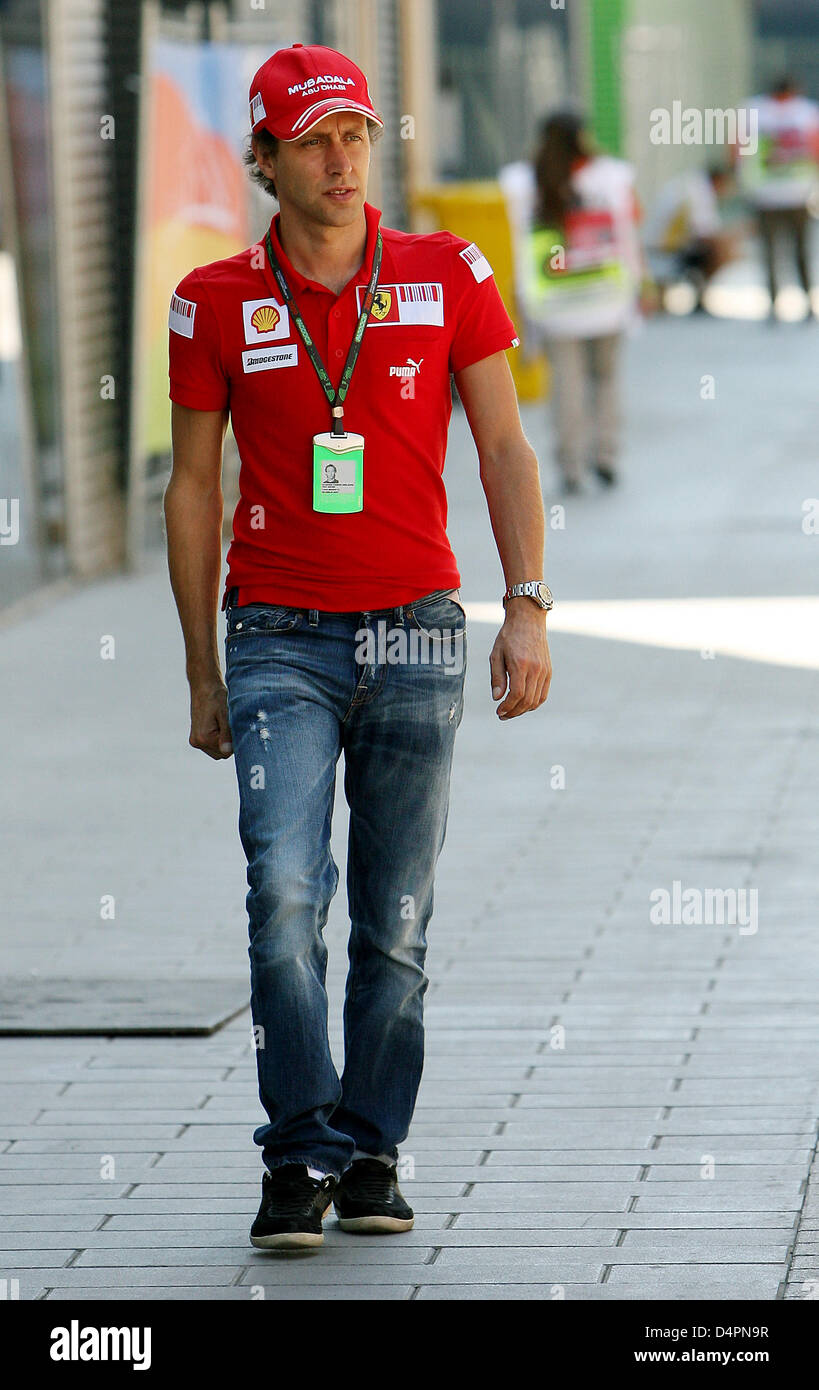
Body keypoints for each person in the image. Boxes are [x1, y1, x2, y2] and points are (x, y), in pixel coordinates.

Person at [164, 42, 552, 1251]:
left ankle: (374, 1147)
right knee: (284, 896)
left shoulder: (447, 273)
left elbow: (501, 449)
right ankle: (298, 1154)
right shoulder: (213, 299)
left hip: (419, 636)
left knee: (395, 915)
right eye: (315, 140)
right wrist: (200, 668)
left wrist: (527, 603)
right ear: (266, 159)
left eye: (358, 136)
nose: (342, 159)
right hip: (277, 635)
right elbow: (189, 489)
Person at [500, 112, 644, 496]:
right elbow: (631, 227)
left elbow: (514, 241)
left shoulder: (521, 181)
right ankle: (606, 456)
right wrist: (638, 285)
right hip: (607, 297)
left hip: (555, 302)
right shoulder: (612, 176)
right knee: (606, 379)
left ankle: (571, 465)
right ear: (583, 136)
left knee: (566, 384)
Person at [737, 75, 819, 317]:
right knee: (800, 252)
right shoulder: (806, 112)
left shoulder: (753, 110)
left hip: (765, 193)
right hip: (798, 192)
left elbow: (737, 149)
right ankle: (806, 302)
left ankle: (774, 304)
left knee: (770, 252)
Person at [644, 164, 739, 310]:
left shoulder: (688, 184)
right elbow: (707, 234)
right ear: (718, 180)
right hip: (664, 251)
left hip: (659, 247)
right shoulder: (697, 191)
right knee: (723, 249)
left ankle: (694, 291)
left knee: (721, 246)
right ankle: (699, 294)